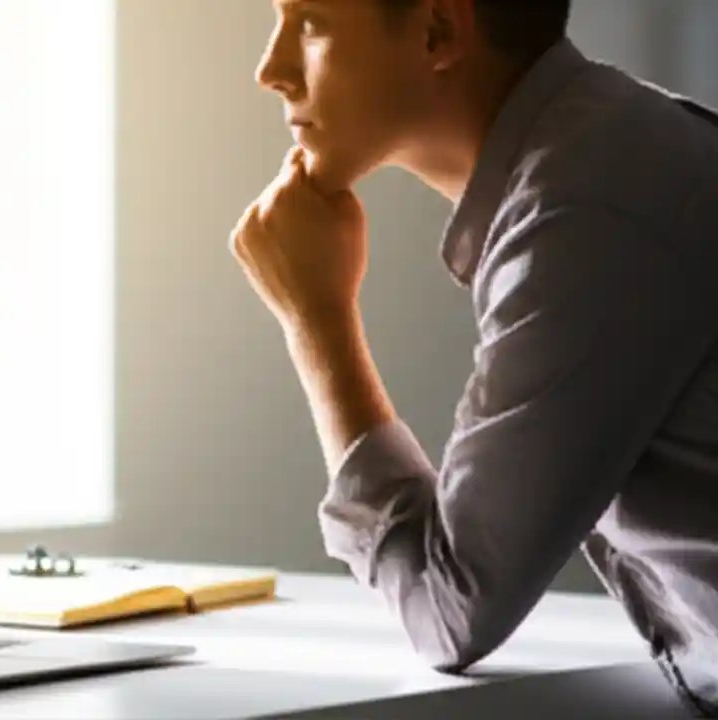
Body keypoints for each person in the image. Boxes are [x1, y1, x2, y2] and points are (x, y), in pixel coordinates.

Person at [229, 0, 718, 715]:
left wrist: (317, 321)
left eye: (311, 22)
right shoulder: (604, 152)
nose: (270, 72)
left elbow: (448, 612)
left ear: (438, 32)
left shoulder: (583, 211)